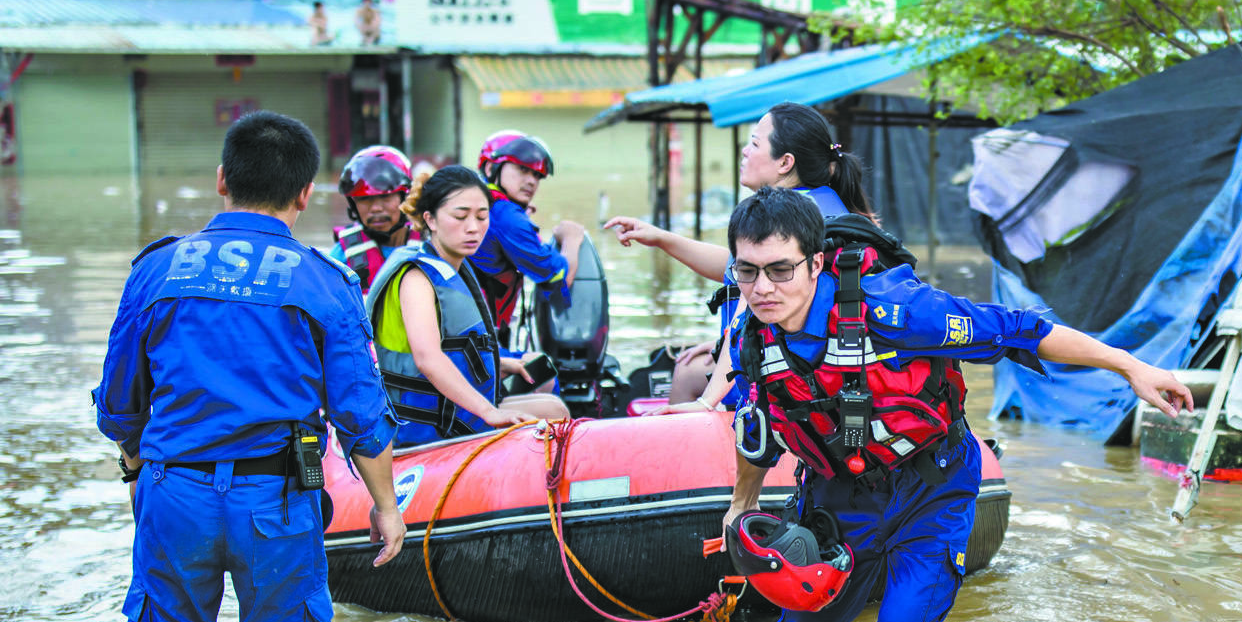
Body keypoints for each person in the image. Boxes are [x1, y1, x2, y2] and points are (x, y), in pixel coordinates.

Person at [721, 187, 1193, 622]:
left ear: (817, 262)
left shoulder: (903, 316)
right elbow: (757, 430)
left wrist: (1130, 366)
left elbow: (1024, 330)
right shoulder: (751, 340)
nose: (762, 288)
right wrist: (741, 507)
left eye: (780, 270)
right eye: (747, 271)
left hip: (931, 489)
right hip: (838, 497)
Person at [93, 111, 406, 622]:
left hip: (174, 493)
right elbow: (360, 413)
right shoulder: (322, 279)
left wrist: (135, 469)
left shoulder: (157, 269)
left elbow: (119, 403)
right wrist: (386, 505)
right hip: (277, 501)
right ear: (304, 194)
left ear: (221, 181)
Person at [603, 102, 875, 406]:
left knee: (686, 372)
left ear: (785, 162)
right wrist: (660, 238)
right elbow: (735, 269)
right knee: (697, 360)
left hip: (795, 374)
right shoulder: (823, 205)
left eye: (755, 143)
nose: (745, 151)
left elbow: (750, 303)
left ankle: (697, 447)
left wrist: (705, 402)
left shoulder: (784, 217)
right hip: (826, 362)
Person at [367, 164, 569, 444]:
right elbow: (427, 358)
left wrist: (502, 363)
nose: (473, 228)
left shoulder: (453, 266)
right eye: (460, 216)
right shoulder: (416, 278)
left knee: (550, 401)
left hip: (449, 412)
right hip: (423, 427)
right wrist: (488, 411)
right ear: (431, 220)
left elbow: (457, 346)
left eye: (482, 216)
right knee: (553, 413)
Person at [470, 131, 585, 347]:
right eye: (522, 169)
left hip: (467, 331)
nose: (531, 181)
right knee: (546, 381)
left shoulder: (480, 204)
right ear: (490, 168)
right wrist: (571, 238)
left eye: (537, 175)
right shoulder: (508, 217)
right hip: (479, 342)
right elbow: (558, 278)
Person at [331, 144, 418, 290]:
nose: (376, 208)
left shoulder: (432, 246)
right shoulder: (340, 256)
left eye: (385, 197)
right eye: (365, 199)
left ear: (405, 198)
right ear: (354, 205)